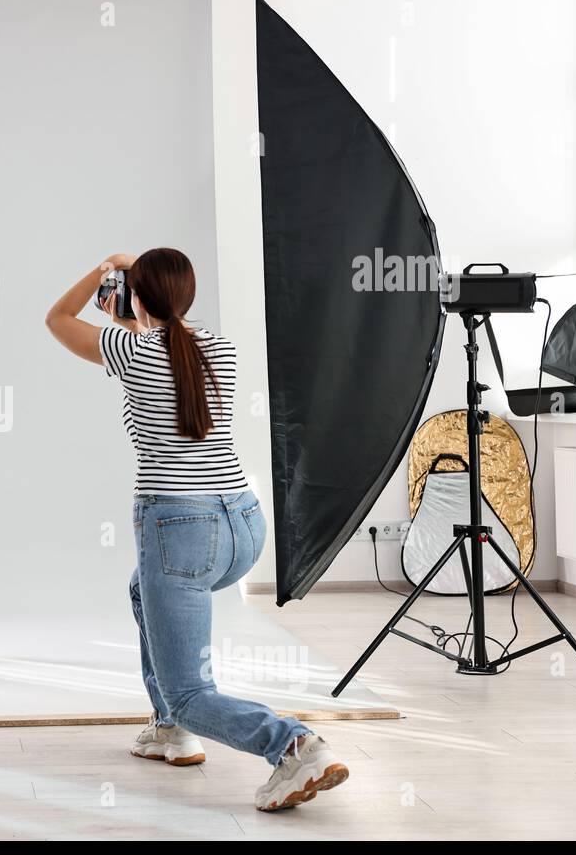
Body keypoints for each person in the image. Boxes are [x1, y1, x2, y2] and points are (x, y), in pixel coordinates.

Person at [45, 248, 349, 811]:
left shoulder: (129, 348)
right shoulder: (218, 348)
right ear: (187, 296)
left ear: (136, 297)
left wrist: (102, 269)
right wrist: (136, 302)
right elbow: (170, 341)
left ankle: (293, 746)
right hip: (242, 526)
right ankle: (167, 731)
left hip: (181, 531)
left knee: (190, 693)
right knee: (142, 590)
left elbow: (58, 320)